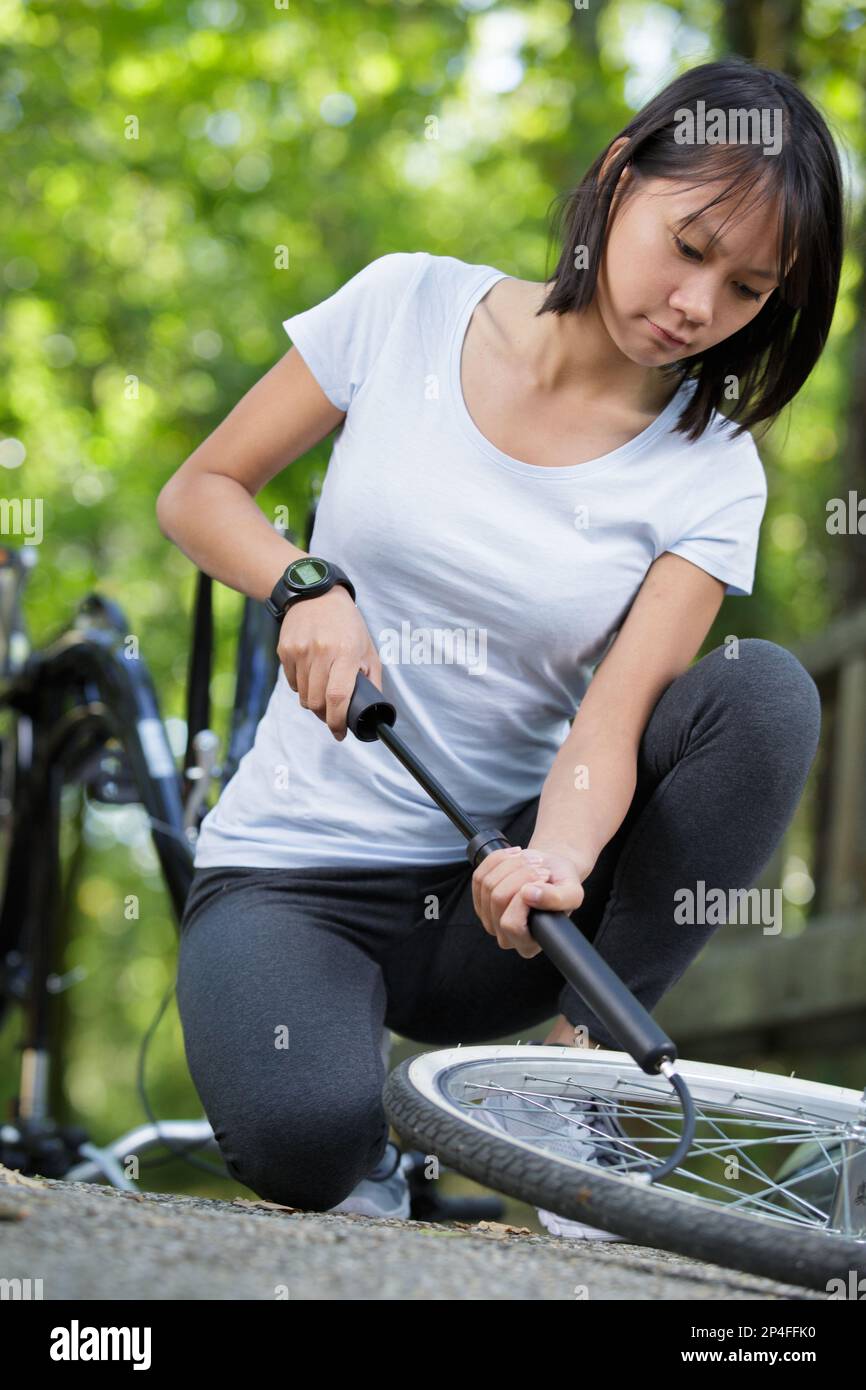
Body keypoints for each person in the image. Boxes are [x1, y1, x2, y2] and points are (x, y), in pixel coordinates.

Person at [156, 57, 842, 1238]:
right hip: (295, 875)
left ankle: (576, 1090)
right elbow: (202, 487)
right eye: (686, 245)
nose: (697, 305)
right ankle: (374, 1144)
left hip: (504, 903)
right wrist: (302, 580)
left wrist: (556, 860)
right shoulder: (405, 303)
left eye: (744, 289)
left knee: (761, 694)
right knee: (306, 1141)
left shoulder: (711, 469)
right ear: (619, 176)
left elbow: (613, 717)